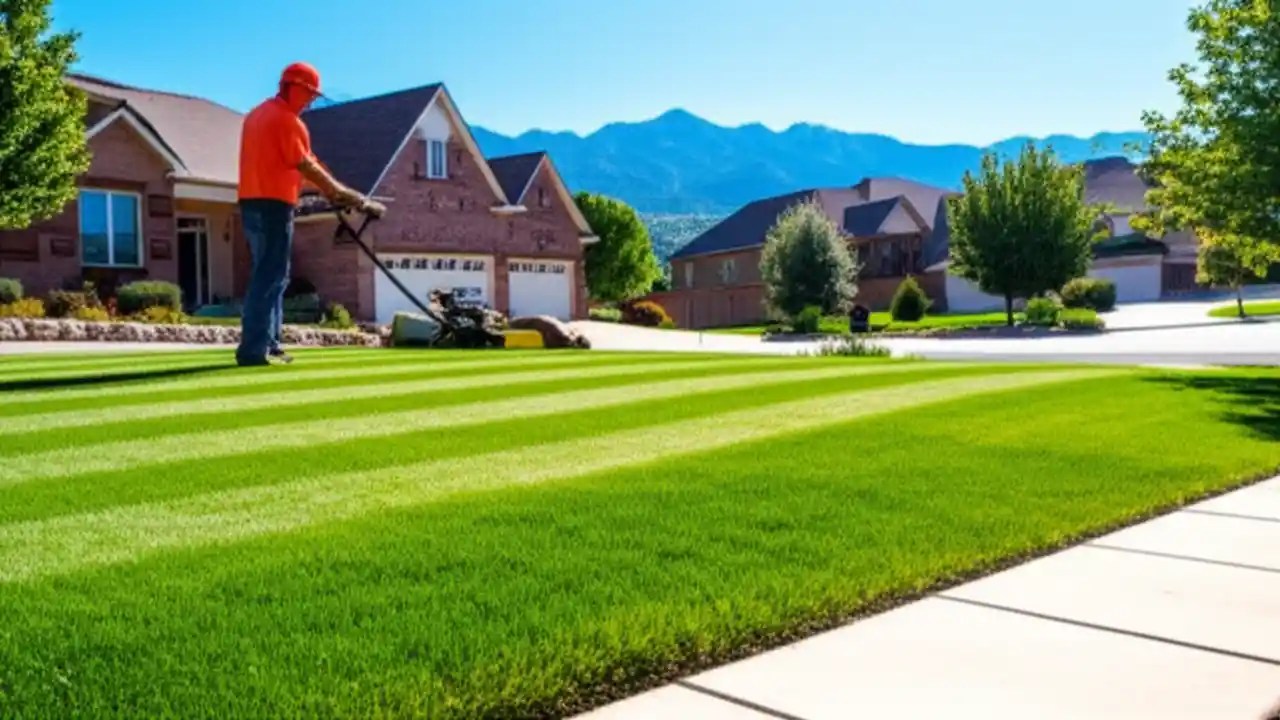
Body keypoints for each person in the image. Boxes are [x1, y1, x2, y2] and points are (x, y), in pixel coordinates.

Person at [235, 61, 384, 366]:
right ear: (295, 88)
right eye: (310, 94)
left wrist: (336, 192)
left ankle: (270, 344)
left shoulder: (257, 115)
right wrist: (351, 197)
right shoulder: (286, 120)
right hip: (272, 205)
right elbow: (307, 167)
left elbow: (307, 164)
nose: (311, 101)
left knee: (273, 276)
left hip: (253, 202)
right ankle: (254, 350)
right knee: (269, 277)